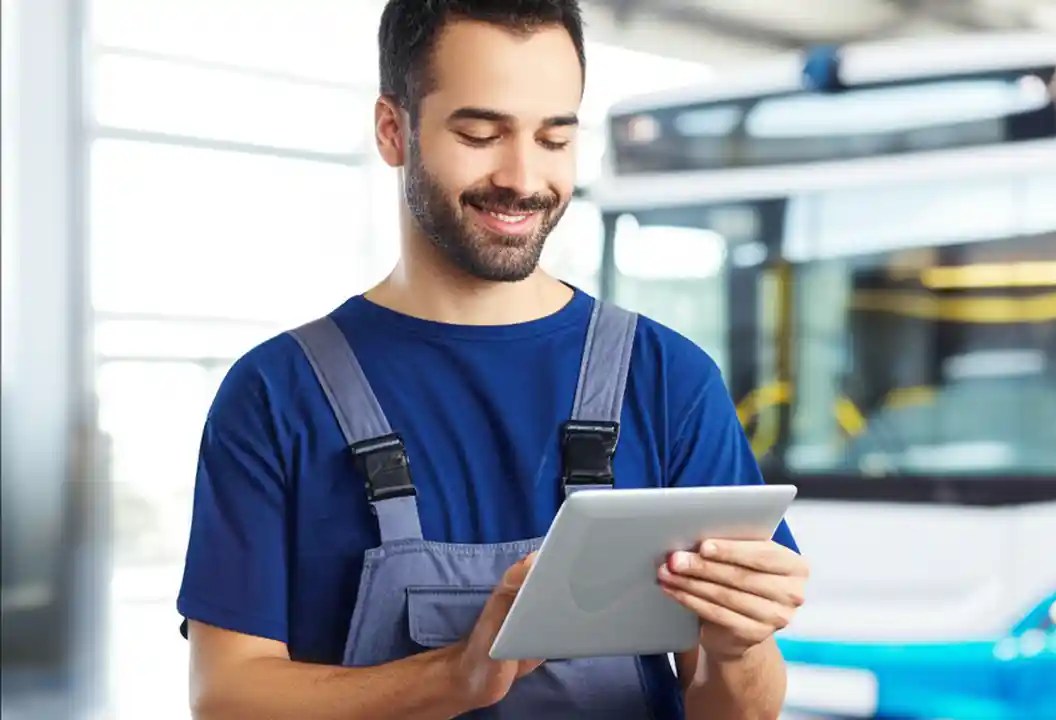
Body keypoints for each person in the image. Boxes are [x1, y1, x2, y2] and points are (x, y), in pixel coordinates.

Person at [177, 1, 809, 718]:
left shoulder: (668, 380)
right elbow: (227, 696)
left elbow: (742, 711)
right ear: (393, 130)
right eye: (481, 133)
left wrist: (739, 650)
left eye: (553, 138)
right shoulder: (276, 393)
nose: (522, 177)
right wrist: (456, 675)